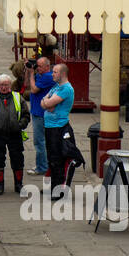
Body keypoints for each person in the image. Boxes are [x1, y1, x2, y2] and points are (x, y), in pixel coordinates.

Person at [41, 64, 77, 197]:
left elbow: (48, 104)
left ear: (62, 74)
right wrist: (47, 103)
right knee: (51, 158)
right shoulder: (56, 87)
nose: (52, 74)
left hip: (59, 128)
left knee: (58, 159)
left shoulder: (66, 89)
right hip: (50, 127)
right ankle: (52, 187)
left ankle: (59, 191)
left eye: (55, 72)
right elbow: (43, 102)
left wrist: (48, 103)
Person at [27, 56, 55, 175]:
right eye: (36, 65)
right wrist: (28, 71)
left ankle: (42, 167)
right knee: (43, 141)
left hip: (41, 113)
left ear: (47, 67)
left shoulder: (48, 77)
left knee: (39, 141)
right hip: (37, 111)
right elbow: (27, 85)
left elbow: (33, 90)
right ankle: (44, 164)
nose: (37, 68)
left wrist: (32, 73)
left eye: (39, 66)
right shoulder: (41, 75)